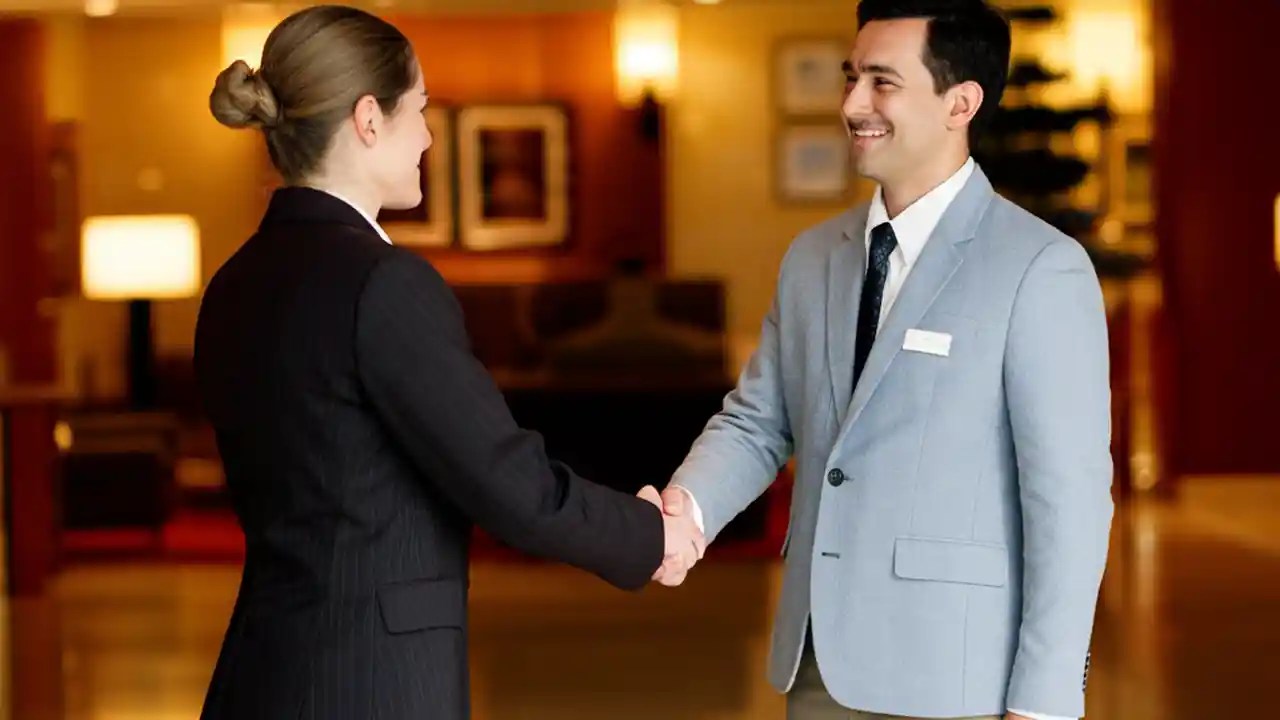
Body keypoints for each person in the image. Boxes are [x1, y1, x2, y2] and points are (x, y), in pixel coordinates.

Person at [196, 5, 703, 720]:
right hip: (368, 681)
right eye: (422, 110)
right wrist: (651, 536)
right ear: (370, 119)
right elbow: (507, 481)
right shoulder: (384, 282)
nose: (430, 136)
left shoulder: (234, 282)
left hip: (260, 671)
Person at [661, 1, 1113, 719]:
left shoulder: (1040, 269)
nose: (852, 103)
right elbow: (758, 421)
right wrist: (686, 512)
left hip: (958, 681)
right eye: (850, 77)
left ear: (960, 103)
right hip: (815, 667)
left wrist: (1045, 699)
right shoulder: (811, 258)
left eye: (882, 82)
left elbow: (1069, 500)